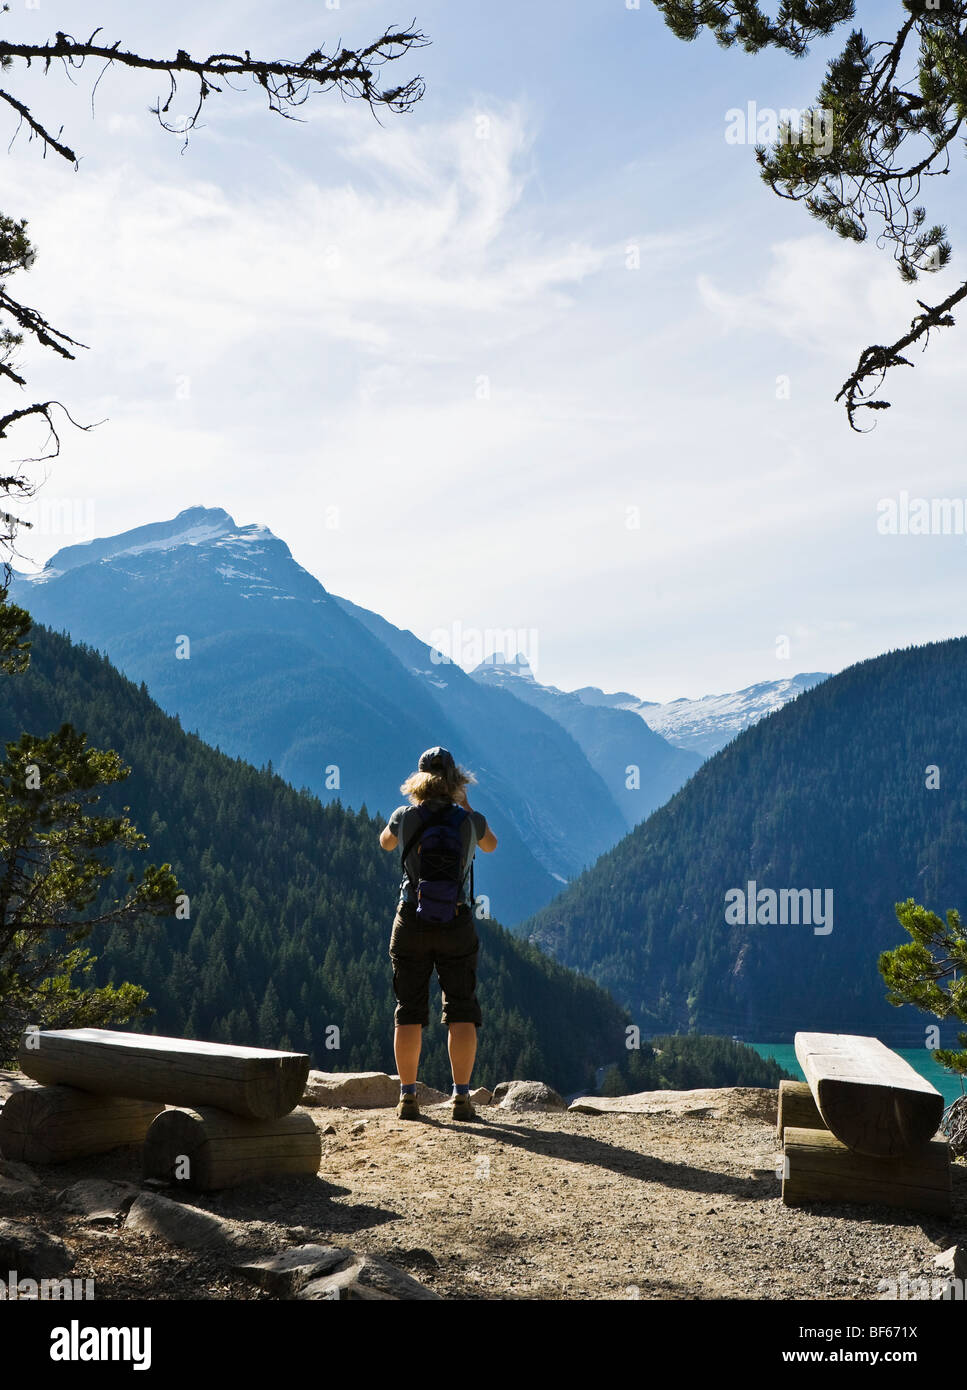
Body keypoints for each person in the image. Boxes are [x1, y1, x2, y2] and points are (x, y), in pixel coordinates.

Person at [379, 746, 497, 1121]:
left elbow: (386, 842)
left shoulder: (404, 815)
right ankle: (461, 1098)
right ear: (455, 782)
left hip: (411, 919)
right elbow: (491, 845)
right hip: (456, 920)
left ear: (419, 780)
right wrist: (466, 806)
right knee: (461, 1011)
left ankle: (408, 1097)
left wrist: (410, 812)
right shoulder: (470, 820)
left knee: (409, 1011)